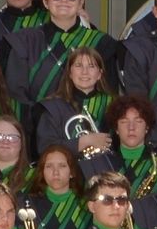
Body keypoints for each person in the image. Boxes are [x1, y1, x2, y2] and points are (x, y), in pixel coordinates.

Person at [38, 46, 120, 175]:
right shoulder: (53, 106)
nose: (84, 72)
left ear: (99, 74)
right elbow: (45, 148)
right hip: (66, 175)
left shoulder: (114, 104)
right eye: (78, 66)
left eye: (91, 66)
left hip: (106, 173)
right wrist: (85, 141)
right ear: (70, 73)